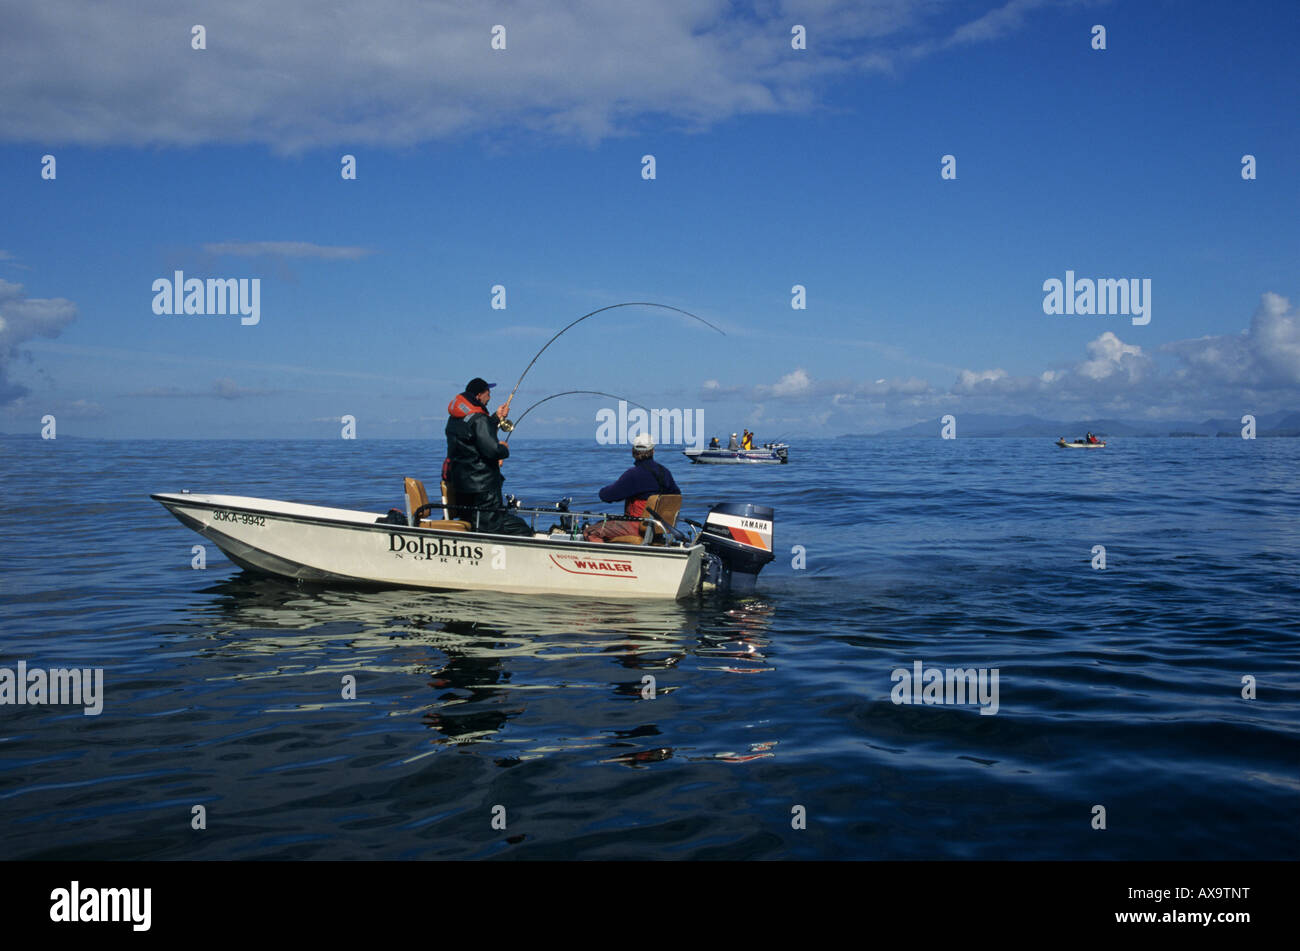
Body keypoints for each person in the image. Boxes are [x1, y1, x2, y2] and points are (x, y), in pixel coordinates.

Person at [445, 377, 532, 536]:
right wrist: (503, 449)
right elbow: (492, 450)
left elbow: (474, 439)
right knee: (518, 529)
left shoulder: (455, 419)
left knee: (473, 522)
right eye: (488, 393)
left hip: (462, 486)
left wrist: (496, 418)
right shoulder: (479, 419)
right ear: (478, 395)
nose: (490, 397)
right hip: (483, 488)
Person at [584, 433, 681, 543]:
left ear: (633, 452)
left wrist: (604, 490)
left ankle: (604, 559)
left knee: (590, 531)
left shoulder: (634, 474)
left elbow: (606, 496)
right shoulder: (665, 472)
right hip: (659, 528)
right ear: (653, 451)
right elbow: (676, 495)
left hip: (637, 525)